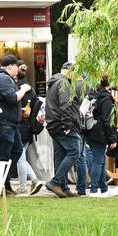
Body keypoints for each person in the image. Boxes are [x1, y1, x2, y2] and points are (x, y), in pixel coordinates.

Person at [45, 61, 86, 198]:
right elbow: (65, 105)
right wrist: (67, 125)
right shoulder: (64, 83)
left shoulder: (53, 82)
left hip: (53, 124)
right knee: (75, 151)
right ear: (70, 71)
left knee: (60, 155)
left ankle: (63, 188)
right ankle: (55, 182)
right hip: (63, 125)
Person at [0, 55, 23, 191]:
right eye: (17, 67)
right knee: (3, 155)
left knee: (16, 151)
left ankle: (5, 183)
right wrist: (24, 89)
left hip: (9, 124)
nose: (18, 69)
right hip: (3, 124)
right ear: (10, 66)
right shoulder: (3, 79)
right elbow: (12, 98)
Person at [83, 76, 115, 196]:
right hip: (99, 132)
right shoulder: (106, 98)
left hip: (89, 131)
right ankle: (94, 189)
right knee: (98, 160)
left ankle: (104, 189)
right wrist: (112, 138)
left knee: (100, 160)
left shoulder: (93, 94)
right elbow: (107, 121)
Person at [15, 65, 44, 195]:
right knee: (21, 156)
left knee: (20, 158)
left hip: (18, 127)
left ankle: (30, 181)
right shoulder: (31, 90)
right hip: (29, 128)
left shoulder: (16, 88)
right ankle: (25, 184)